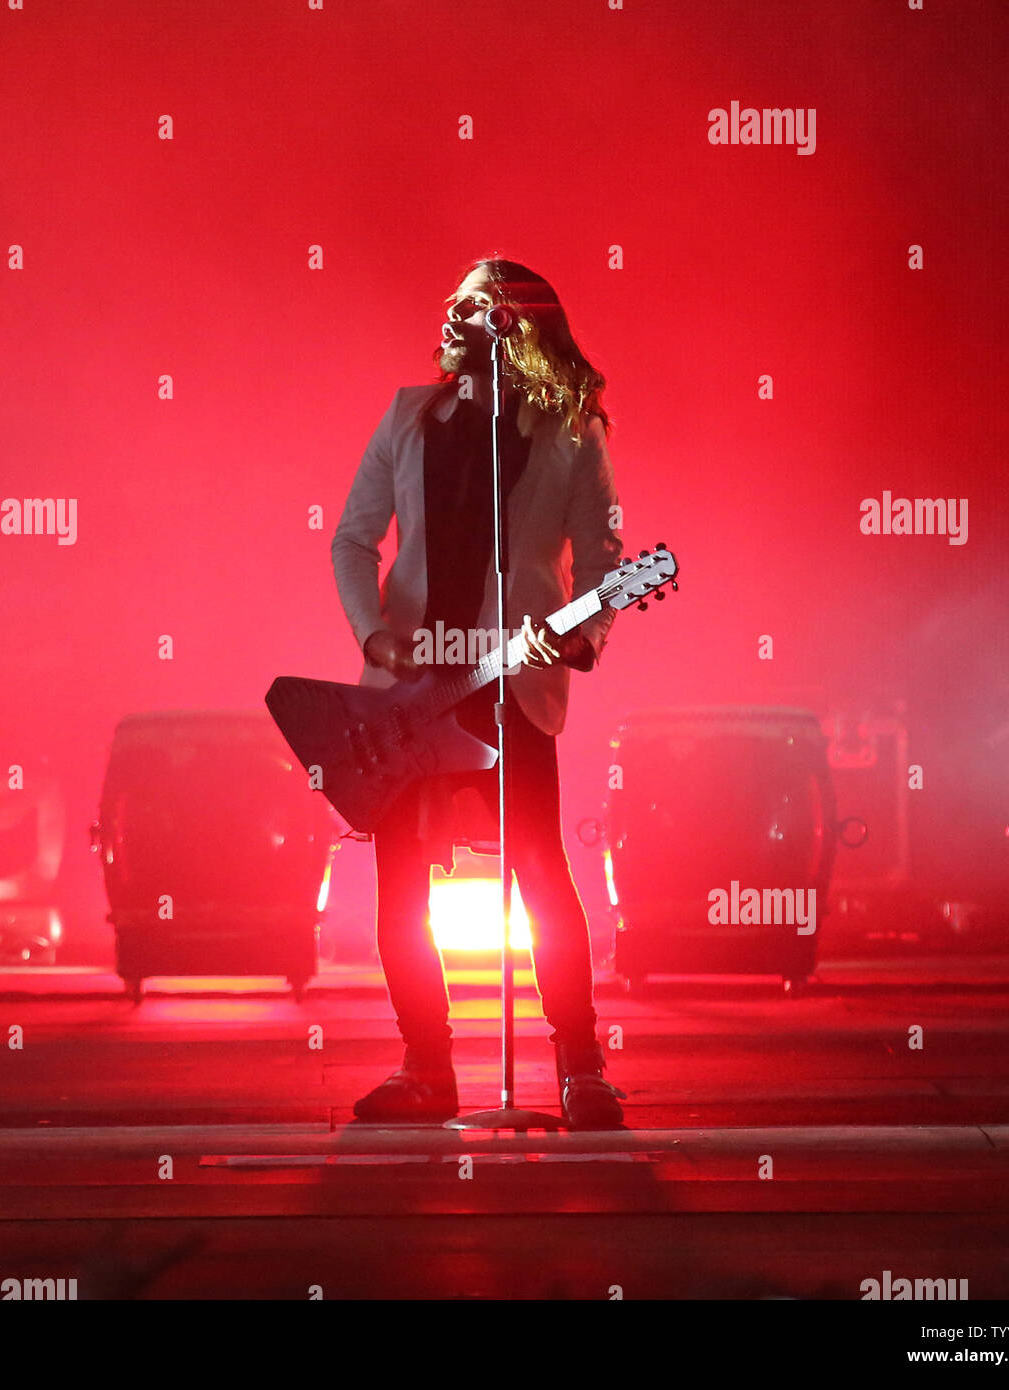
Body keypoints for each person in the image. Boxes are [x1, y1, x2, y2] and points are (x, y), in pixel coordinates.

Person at [331, 257, 625, 1128]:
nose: (463, 317)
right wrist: (374, 636)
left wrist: (582, 630)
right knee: (398, 885)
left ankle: (580, 1065)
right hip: (411, 685)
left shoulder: (569, 429)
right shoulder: (407, 416)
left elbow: (606, 562)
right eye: (458, 303)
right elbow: (352, 539)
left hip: (510, 684)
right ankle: (426, 1065)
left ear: (519, 326)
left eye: (484, 307)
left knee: (539, 870)